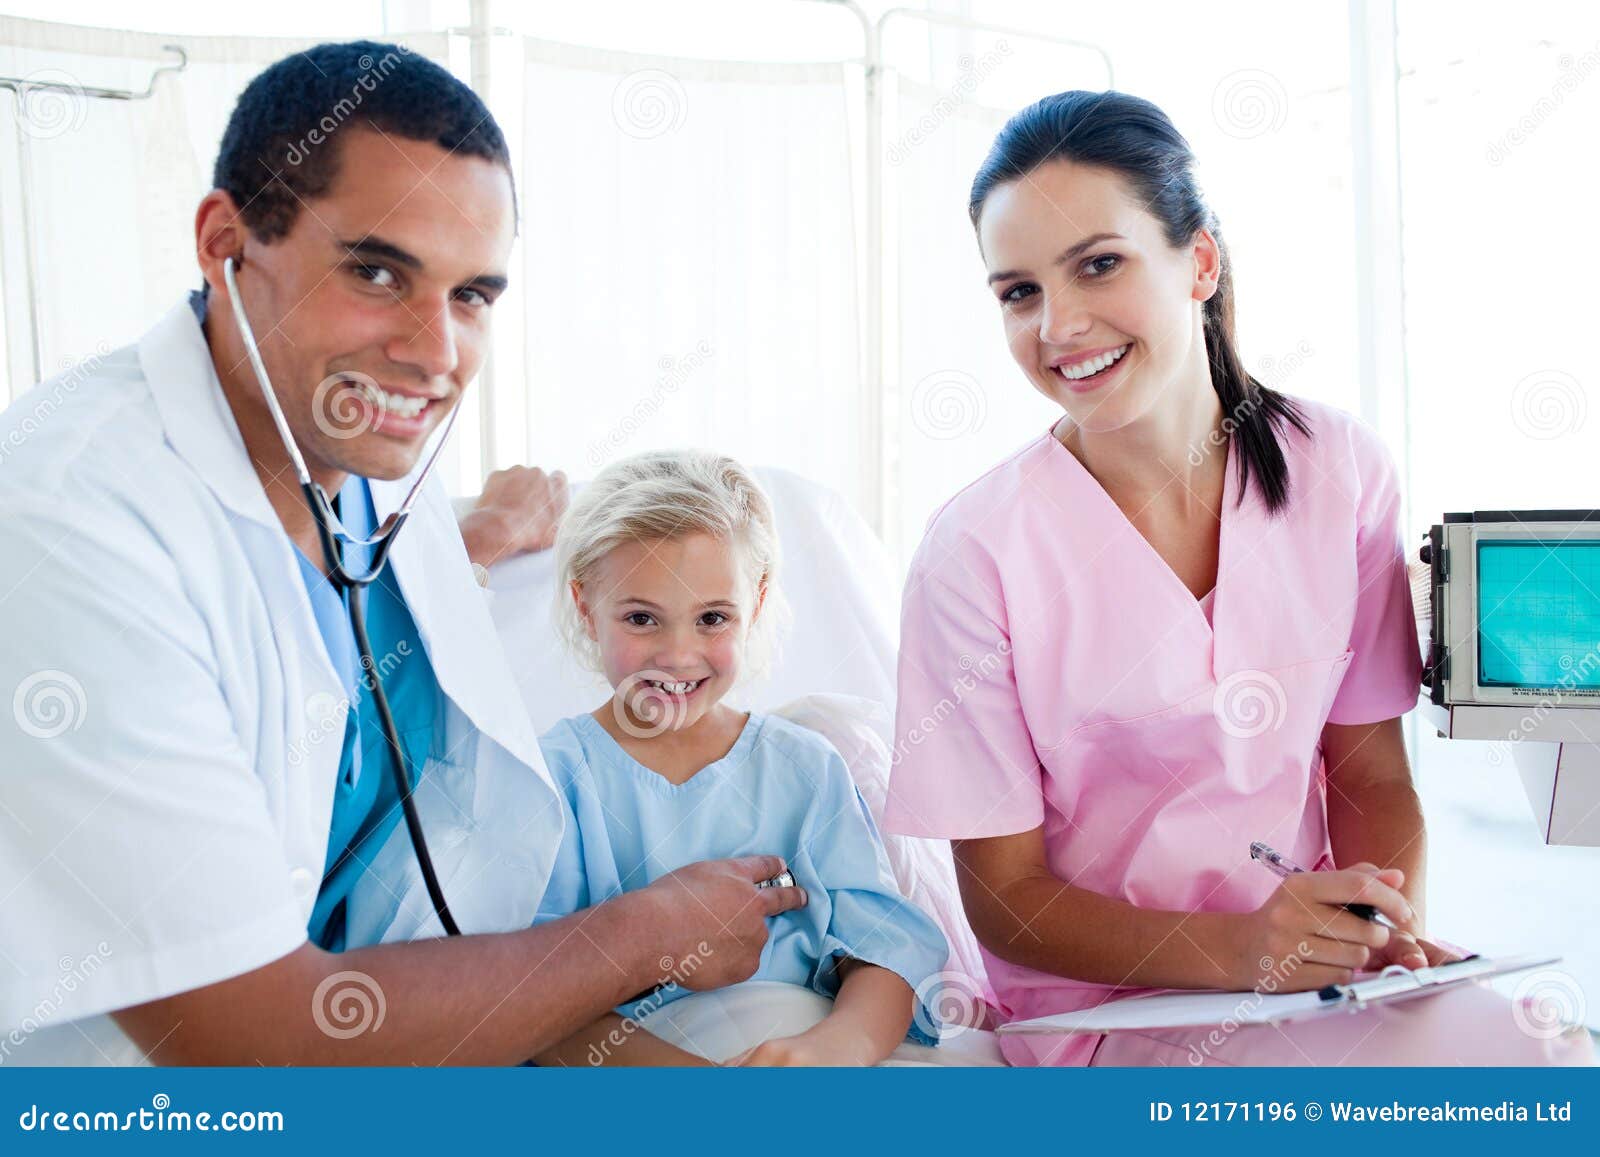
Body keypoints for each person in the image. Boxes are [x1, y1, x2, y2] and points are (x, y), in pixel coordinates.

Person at [0, 42, 802, 1067]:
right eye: (377, 271)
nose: (434, 353)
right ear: (223, 242)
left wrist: (480, 533)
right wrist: (645, 931)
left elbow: (321, 607)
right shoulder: (64, 529)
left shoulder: (347, 451)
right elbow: (260, 1040)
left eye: (472, 295)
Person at [883, 90, 1594, 1067]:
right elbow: (1004, 896)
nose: (1058, 324)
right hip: (1113, 1007)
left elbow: (1367, 770)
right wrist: (1240, 952)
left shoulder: (1336, 467)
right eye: (1018, 291)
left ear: (1199, 262)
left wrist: (1377, 927)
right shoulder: (974, 549)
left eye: (1098, 264)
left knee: (1544, 1058)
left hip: (1309, 979)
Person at [530, 451, 949, 1066]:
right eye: (642, 618)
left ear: (754, 602)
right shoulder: (552, 779)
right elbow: (536, 1001)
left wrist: (837, 1047)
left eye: (711, 619)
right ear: (587, 606)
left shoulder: (804, 767)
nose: (678, 655)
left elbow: (887, 951)